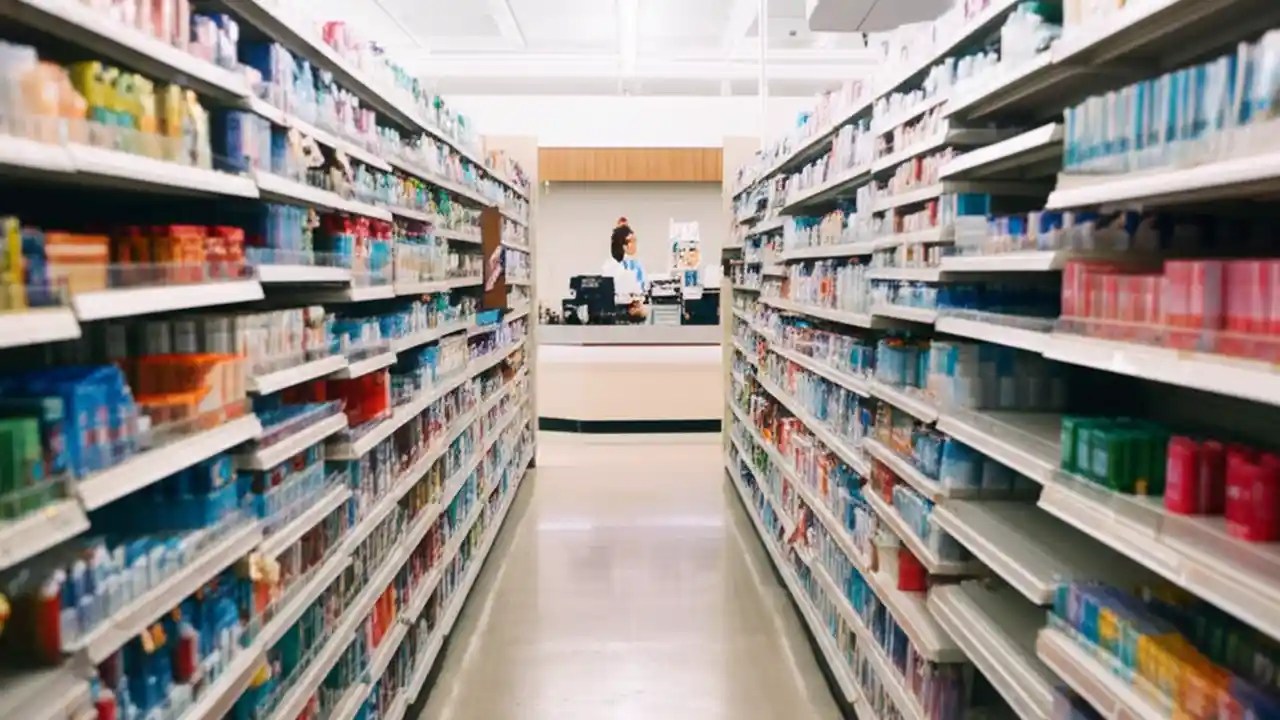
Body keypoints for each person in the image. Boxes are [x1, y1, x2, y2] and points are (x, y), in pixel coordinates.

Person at [603, 225, 647, 320]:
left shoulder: (636, 265)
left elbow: (642, 289)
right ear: (623, 245)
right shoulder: (611, 266)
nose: (635, 244)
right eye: (633, 241)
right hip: (620, 311)